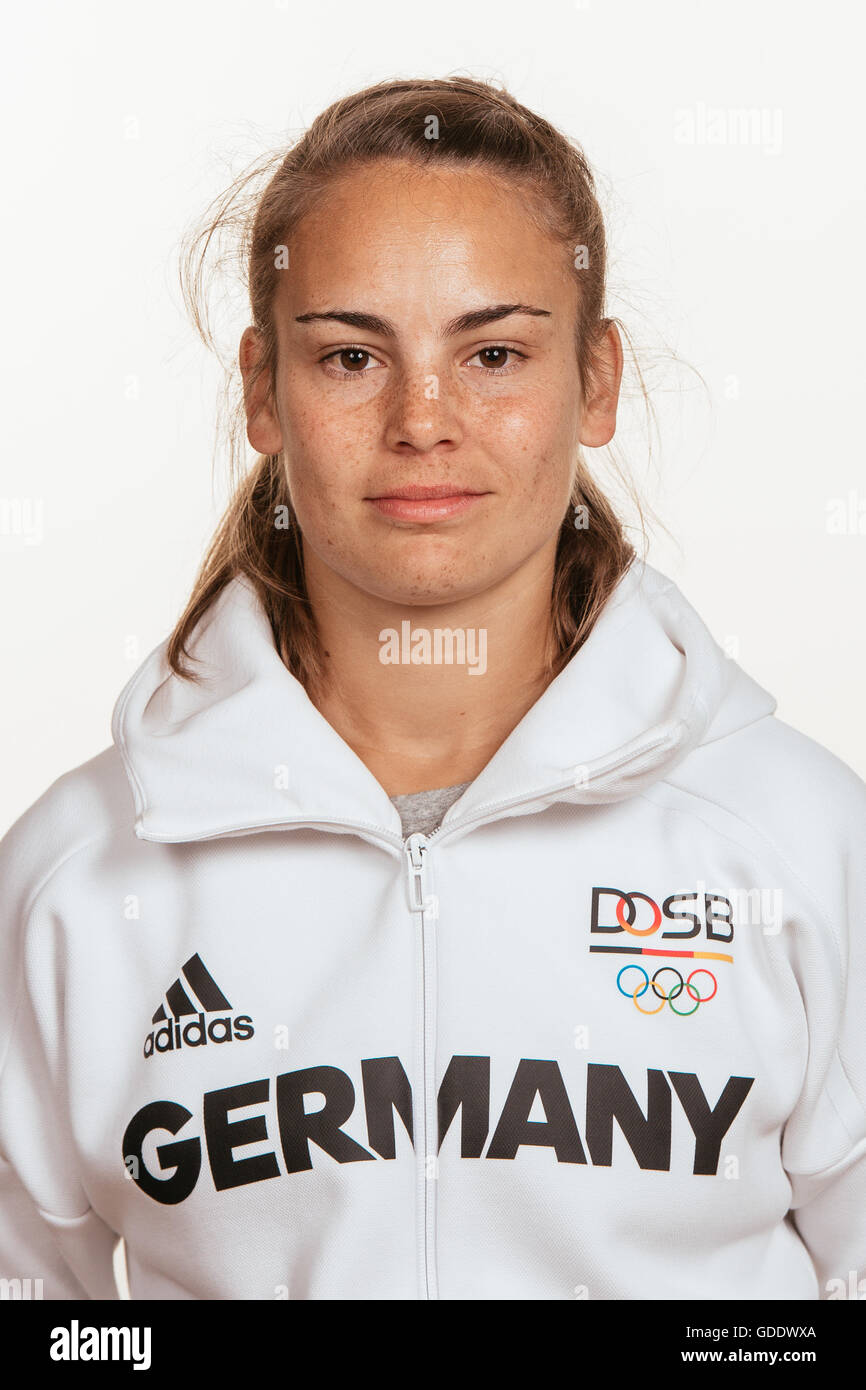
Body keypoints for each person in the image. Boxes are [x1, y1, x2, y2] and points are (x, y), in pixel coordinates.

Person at [1, 76, 864, 1303]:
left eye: (493, 352)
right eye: (350, 355)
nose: (421, 419)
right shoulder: (76, 879)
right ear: (262, 391)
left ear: (596, 381)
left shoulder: (800, 844)